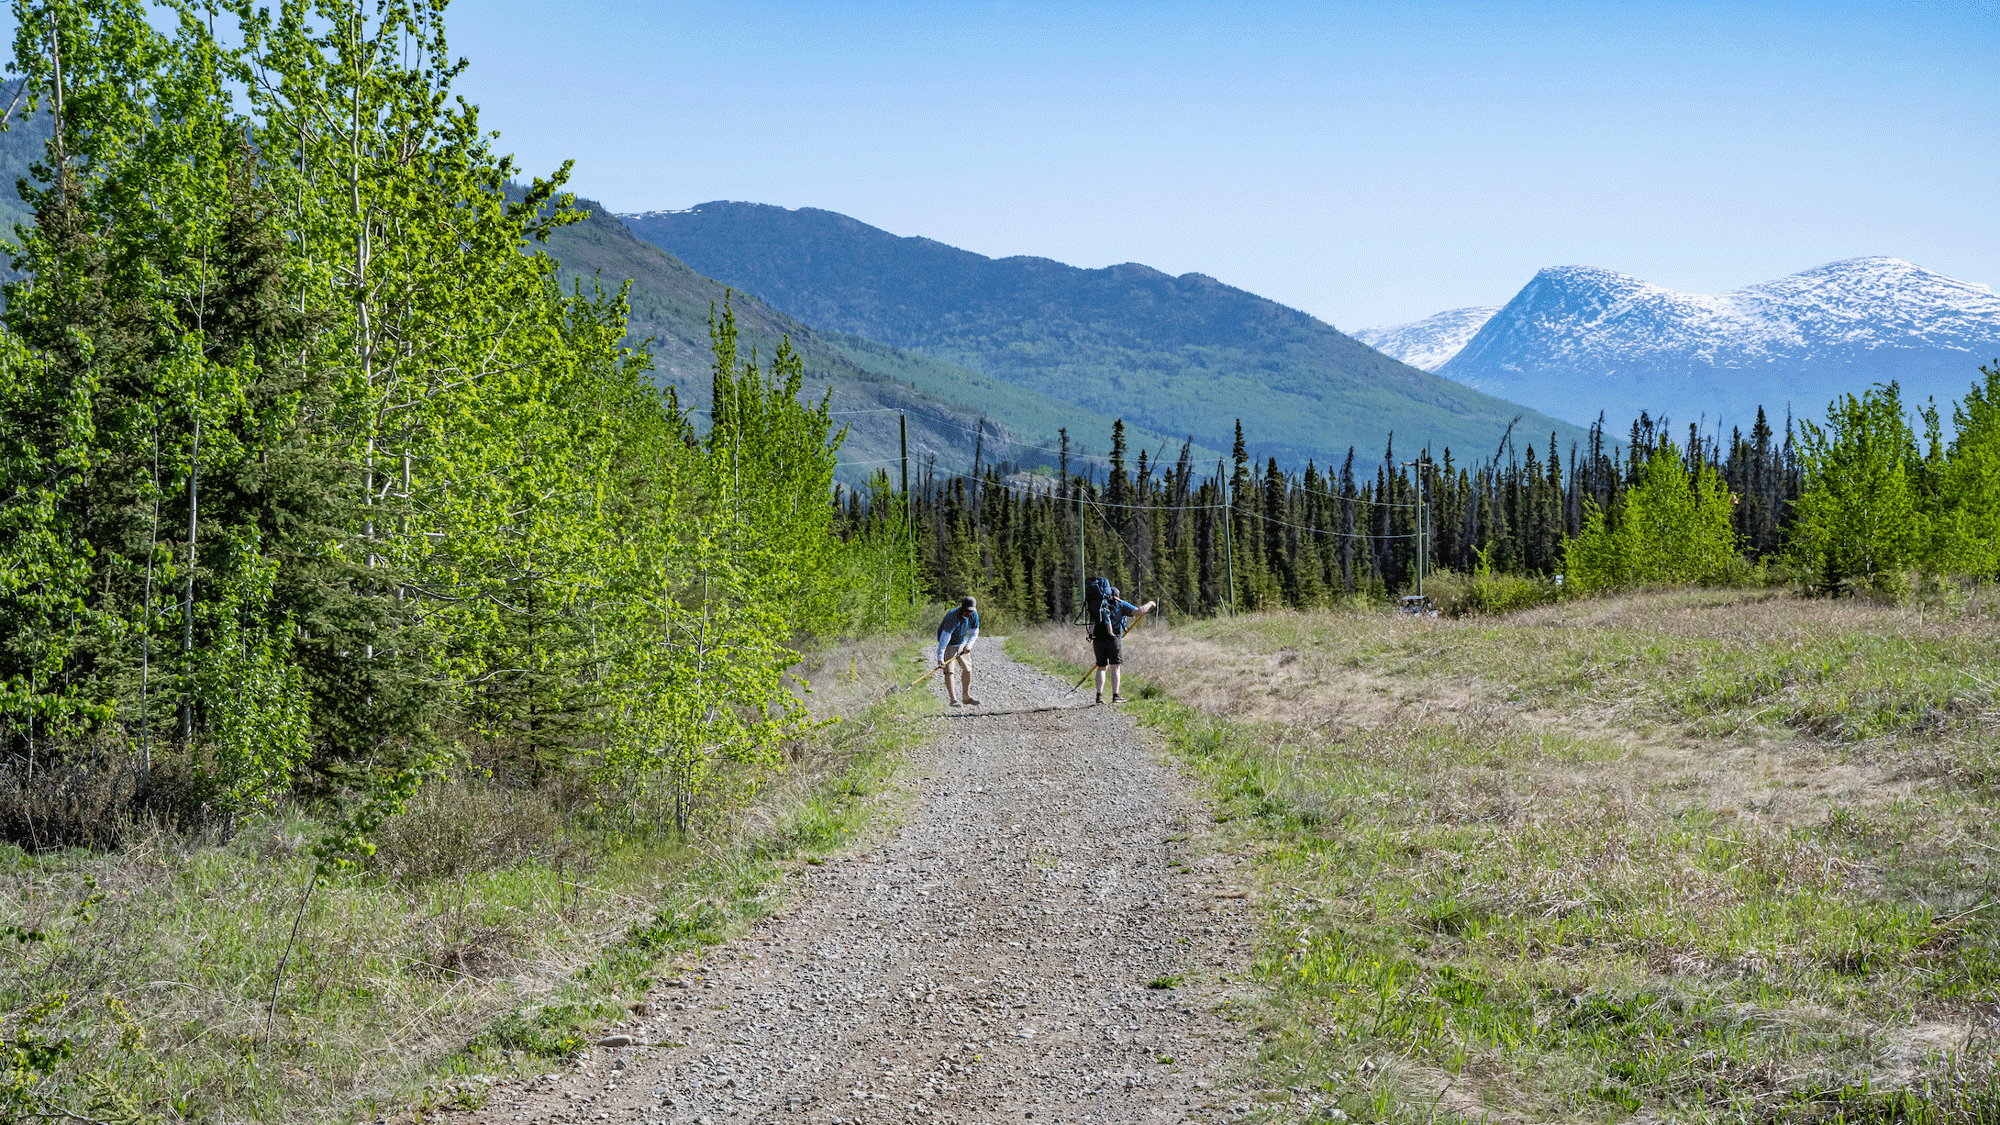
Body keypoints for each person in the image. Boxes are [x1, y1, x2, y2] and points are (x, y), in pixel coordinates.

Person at [1085, 579, 1155, 704]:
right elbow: (1139, 611)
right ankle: (1115, 696)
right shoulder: (1120, 604)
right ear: (1117, 596)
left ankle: (1099, 696)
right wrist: (1150, 603)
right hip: (1114, 639)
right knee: (1115, 667)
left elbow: (1092, 626)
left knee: (1101, 667)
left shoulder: (1097, 605)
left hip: (1098, 639)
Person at [934, 595, 981, 706]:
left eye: (971, 611)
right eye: (967, 611)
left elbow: (975, 632)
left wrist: (968, 646)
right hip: (948, 644)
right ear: (962, 608)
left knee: (968, 669)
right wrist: (940, 657)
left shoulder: (974, 615)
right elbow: (945, 638)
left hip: (961, 642)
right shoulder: (953, 617)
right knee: (949, 671)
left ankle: (966, 697)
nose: (968, 613)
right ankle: (953, 700)